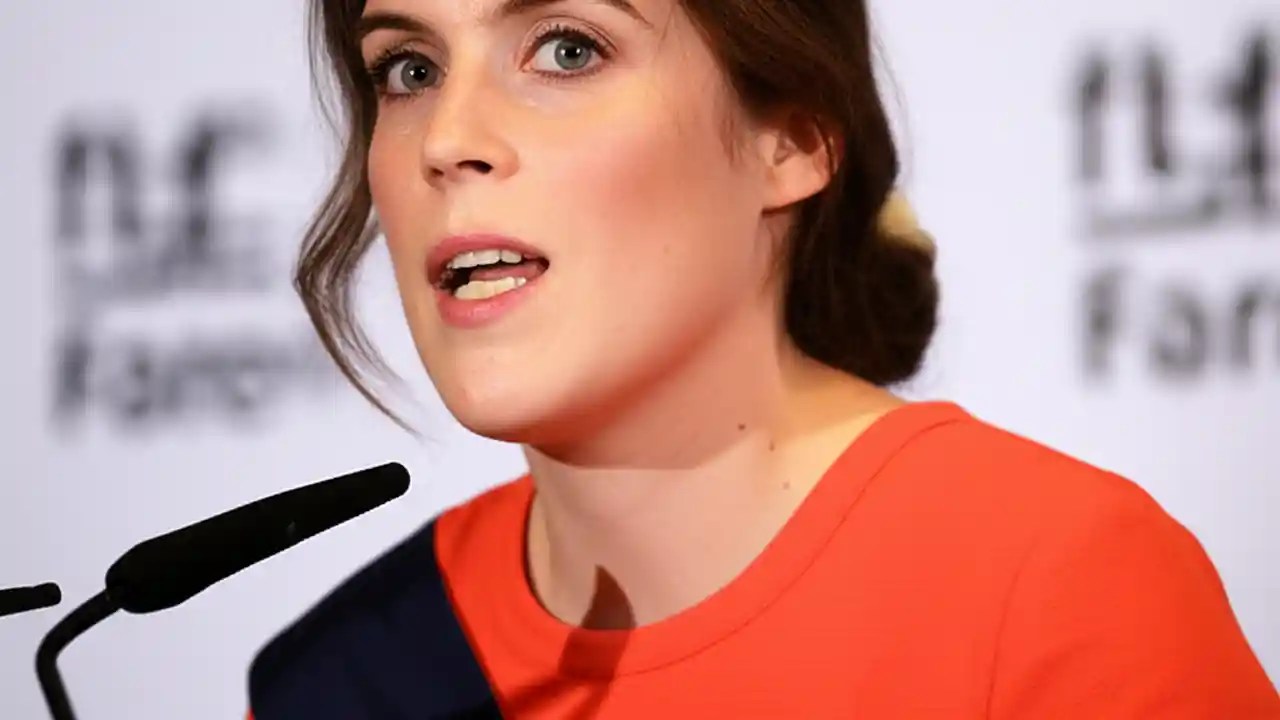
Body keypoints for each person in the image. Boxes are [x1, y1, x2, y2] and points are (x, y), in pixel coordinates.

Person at [245, 0, 1280, 717]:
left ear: (790, 139)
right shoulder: (346, 677)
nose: (446, 138)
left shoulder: (1052, 585)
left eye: (564, 48)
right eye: (408, 69)